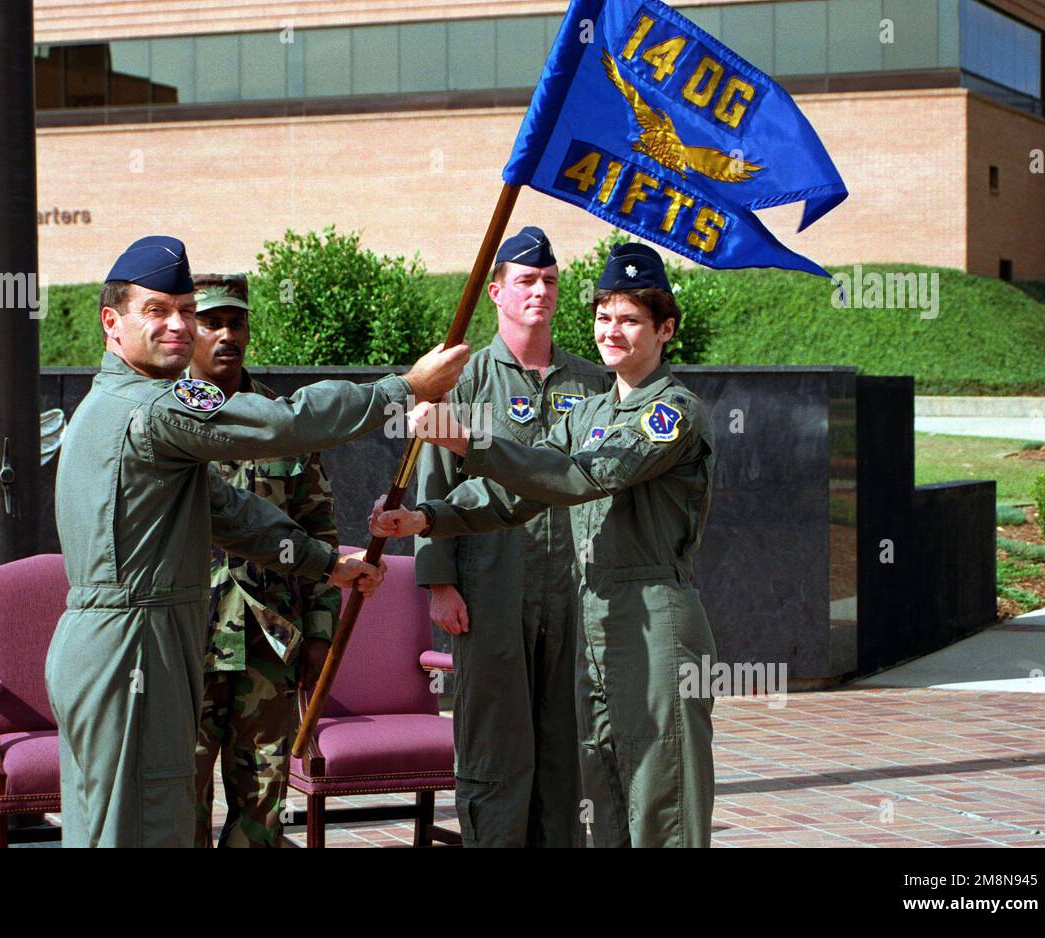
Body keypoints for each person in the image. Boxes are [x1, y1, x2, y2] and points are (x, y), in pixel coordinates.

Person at [47, 236, 468, 848]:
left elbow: (231, 513)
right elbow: (283, 423)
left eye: (185, 312)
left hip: (137, 640)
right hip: (135, 645)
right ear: (112, 322)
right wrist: (401, 390)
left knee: (130, 819)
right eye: (157, 311)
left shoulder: (121, 405)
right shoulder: (152, 409)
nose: (178, 326)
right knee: (142, 824)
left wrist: (328, 564)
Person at [374, 242, 716, 848]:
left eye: (631, 319)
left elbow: (582, 478)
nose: (613, 331)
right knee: (605, 789)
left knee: (661, 797)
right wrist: (428, 519)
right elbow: (519, 493)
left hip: (652, 614)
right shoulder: (591, 412)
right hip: (597, 618)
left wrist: (469, 441)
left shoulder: (671, 412)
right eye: (604, 316)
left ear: (665, 330)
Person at [412, 226, 611, 848]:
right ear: (496, 291)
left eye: (550, 281)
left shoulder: (591, 383)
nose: (540, 292)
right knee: (495, 735)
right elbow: (434, 485)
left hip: (576, 584)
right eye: (526, 281)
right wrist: (439, 584)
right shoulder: (466, 380)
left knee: (568, 735)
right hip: (492, 582)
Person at [186, 274, 340, 847]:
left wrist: (321, 630)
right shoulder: (163, 417)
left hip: (268, 642)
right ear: (188, 328)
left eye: (236, 322)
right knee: (181, 798)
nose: (227, 335)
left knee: (263, 808)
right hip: (186, 640)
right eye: (212, 322)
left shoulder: (281, 420)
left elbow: (320, 529)